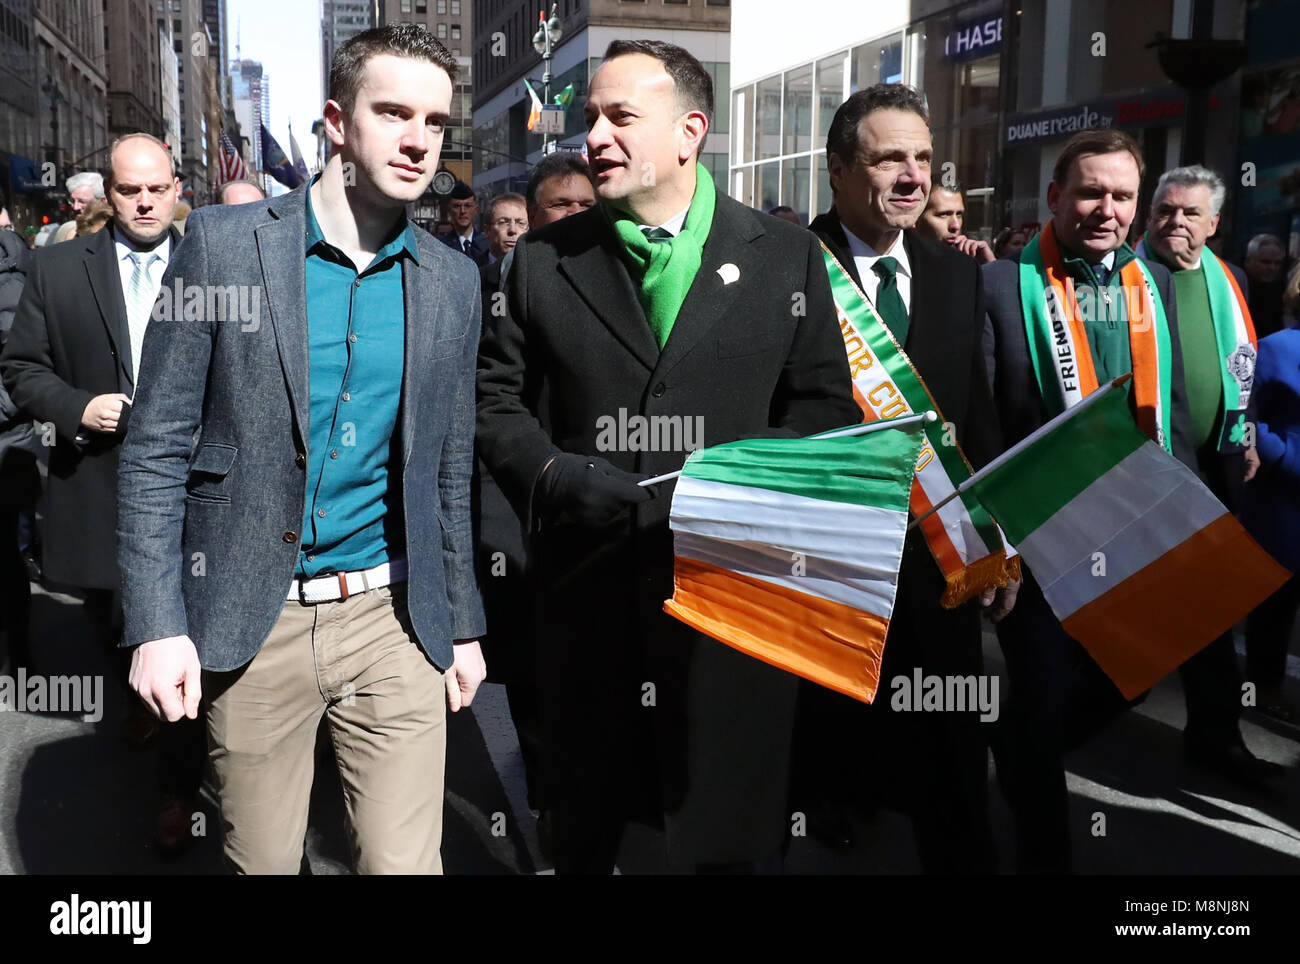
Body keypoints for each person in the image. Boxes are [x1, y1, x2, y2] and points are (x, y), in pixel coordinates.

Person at [477, 39, 859, 874]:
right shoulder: (541, 260)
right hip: (588, 618)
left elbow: (826, 410)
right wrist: (552, 474)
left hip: (734, 617)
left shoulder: (786, 258)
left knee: (723, 839)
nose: (596, 139)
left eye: (620, 117)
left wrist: (735, 480)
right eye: (590, 120)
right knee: (589, 837)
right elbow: (495, 403)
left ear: (690, 131)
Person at [117, 23, 486, 875]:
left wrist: (463, 623)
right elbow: (157, 448)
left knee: (405, 867)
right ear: (334, 120)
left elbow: (446, 471)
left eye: (434, 121)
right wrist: (159, 622)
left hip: (394, 622)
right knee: (264, 864)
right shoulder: (220, 247)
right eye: (393, 112)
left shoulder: (453, 282)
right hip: (255, 615)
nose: (417, 140)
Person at [804, 84, 1011, 872]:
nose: (912, 175)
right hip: (831, 562)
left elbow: (980, 418)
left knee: (955, 762)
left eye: (922, 157)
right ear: (837, 169)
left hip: (940, 557)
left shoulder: (958, 275)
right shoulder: (784, 266)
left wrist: (995, 539)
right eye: (889, 156)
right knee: (838, 753)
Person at [982, 129, 1199, 872]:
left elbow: (1170, 409)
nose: (1105, 208)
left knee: (1131, 679)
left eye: (1121, 195)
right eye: (1089, 191)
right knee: (1042, 702)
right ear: (1053, 197)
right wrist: (990, 543)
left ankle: (1010, 748)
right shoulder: (1002, 286)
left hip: (1138, 527)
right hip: (1039, 539)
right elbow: (980, 423)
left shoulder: (1154, 283)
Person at [0, 132, 198, 852]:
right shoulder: (55, 270)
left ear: (178, 187)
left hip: (197, 494)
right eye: (128, 189)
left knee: (184, 633)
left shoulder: (216, 264)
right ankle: (146, 702)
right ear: (108, 195)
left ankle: (179, 788)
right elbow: (23, 370)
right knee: (119, 627)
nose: (145, 200)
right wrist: (77, 407)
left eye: (157, 187)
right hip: (100, 488)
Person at [1136, 164, 1282, 790]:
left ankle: (1215, 736)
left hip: (1216, 468)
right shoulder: (1126, 276)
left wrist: (1245, 432)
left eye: (1191, 213)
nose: (1176, 221)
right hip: (1143, 468)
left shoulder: (1231, 279)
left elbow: (1240, 368)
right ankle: (1058, 724)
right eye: (1166, 210)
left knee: (1211, 605)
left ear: (1215, 223)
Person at [1240, 325, 1300, 724]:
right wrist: (1282, 453)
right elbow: (1244, 410)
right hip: (1282, 501)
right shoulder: (1276, 348)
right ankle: (1261, 689)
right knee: (1275, 602)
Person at [0, 219, 36, 677]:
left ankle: (21, 657)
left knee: (5, 555)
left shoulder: (8, 275)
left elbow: (20, 369)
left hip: (5, 446)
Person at [917, 184, 995, 262]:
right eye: (943, 214)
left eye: (958, 214)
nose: (956, 226)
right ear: (916, 220)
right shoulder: (909, 267)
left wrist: (989, 267)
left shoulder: (968, 261)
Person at [1244, 233, 1287, 337]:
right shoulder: (1236, 282)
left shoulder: (1281, 286)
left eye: (1277, 263)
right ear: (1249, 260)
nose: (1272, 268)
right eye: (1265, 262)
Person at [438, 180, 489, 264]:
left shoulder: (486, 243)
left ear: (475, 210)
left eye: (468, 206)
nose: (463, 211)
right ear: (449, 210)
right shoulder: (442, 246)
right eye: (457, 206)